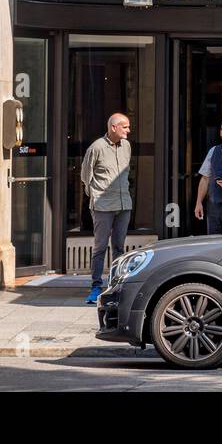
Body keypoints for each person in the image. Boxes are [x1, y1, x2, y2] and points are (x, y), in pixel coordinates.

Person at [81, 113, 133, 304]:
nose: (128, 130)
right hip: (103, 205)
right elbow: (86, 174)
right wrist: (94, 194)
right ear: (113, 127)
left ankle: (116, 286)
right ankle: (96, 287)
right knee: (100, 247)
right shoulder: (96, 147)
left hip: (124, 203)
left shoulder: (126, 146)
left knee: (119, 247)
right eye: (125, 127)